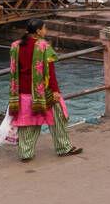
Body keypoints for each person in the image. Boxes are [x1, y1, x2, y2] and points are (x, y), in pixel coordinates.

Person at [9, 18, 82, 161]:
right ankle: (63, 148)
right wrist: (55, 90)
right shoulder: (43, 46)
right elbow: (50, 72)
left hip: (22, 92)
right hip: (43, 91)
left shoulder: (15, 46)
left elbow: (14, 70)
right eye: (44, 28)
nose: (45, 31)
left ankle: (26, 153)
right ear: (38, 31)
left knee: (27, 123)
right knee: (57, 119)